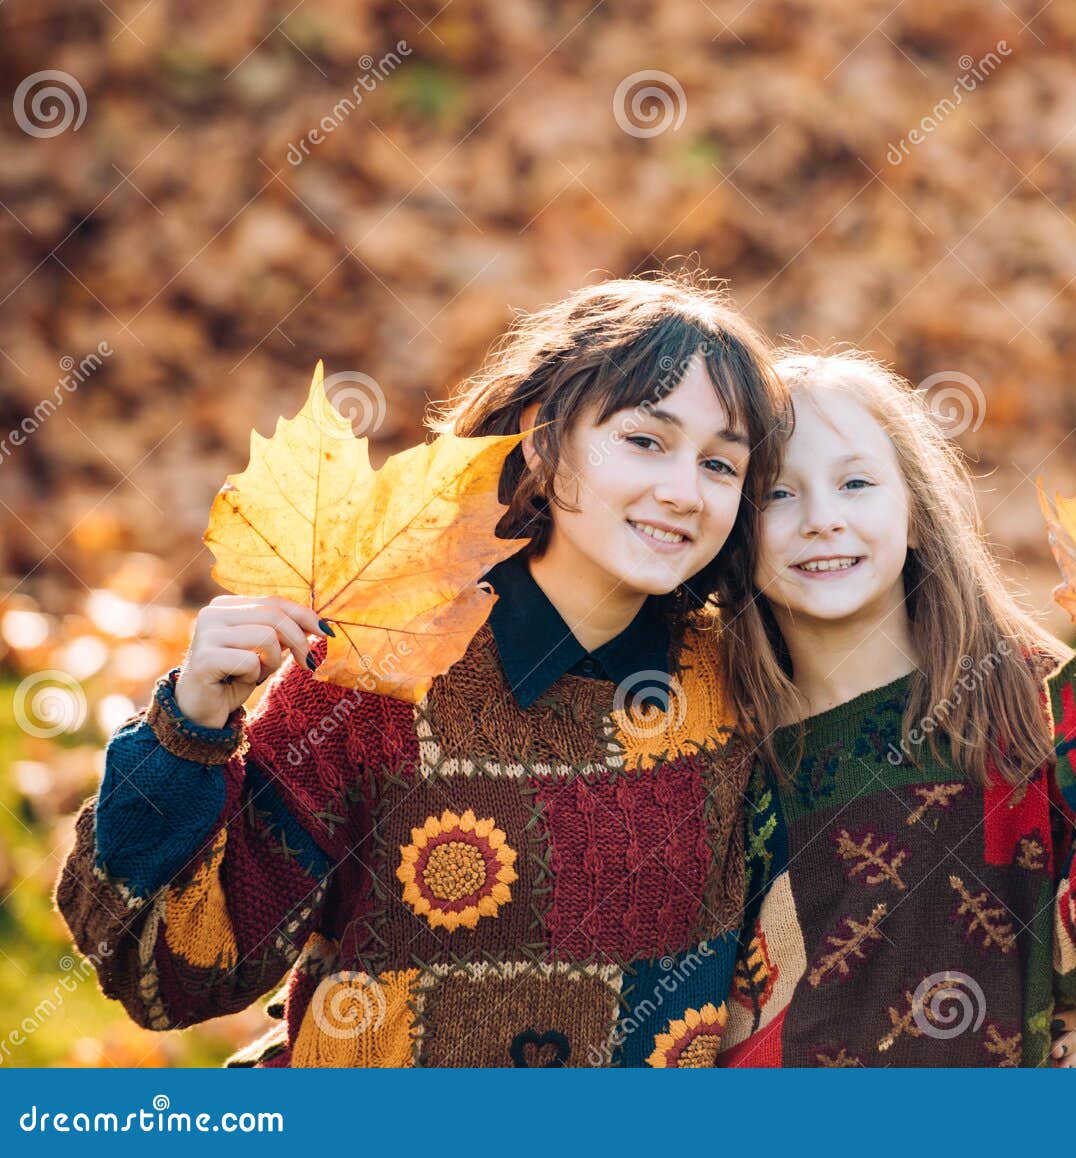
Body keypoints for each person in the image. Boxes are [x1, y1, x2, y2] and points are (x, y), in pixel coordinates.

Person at [55, 274, 790, 1067]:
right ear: (542, 443)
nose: (683, 491)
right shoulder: (381, 668)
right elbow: (171, 977)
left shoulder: (741, 684)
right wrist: (189, 731)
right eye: (645, 440)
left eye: (721, 465)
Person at [716, 349, 1076, 1067]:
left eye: (855, 483)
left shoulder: (1026, 707)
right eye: (777, 495)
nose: (822, 519)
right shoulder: (720, 734)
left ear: (917, 515)